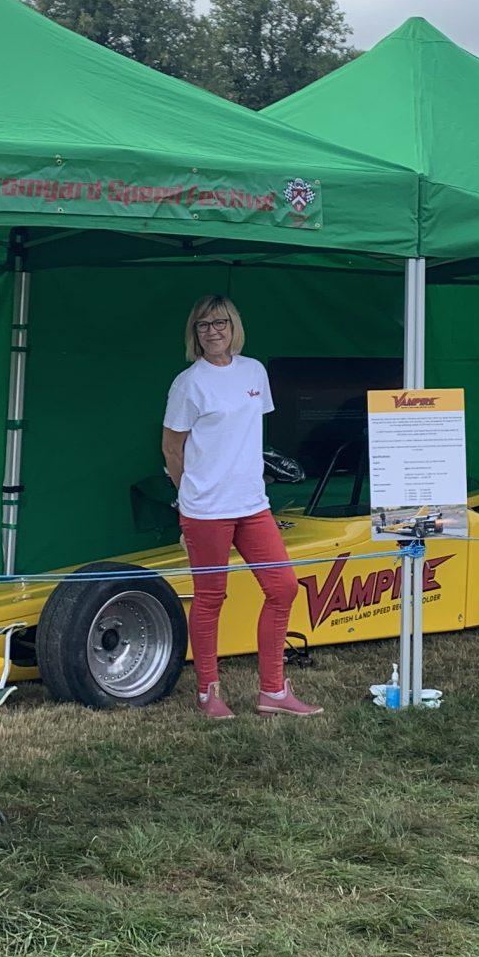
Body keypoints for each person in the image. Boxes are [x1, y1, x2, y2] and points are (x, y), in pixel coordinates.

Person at [161, 294, 318, 720]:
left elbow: (250, 433)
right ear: (195, 334)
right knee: (211, 598)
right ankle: (208, 693)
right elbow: (172, 450)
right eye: (203, 326)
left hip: (252, 504)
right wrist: (188, 496)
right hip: (206, 509)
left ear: (234, 326)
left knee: (283, 587)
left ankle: (273, 690)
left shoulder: (255, 372)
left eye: (220, 323)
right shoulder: (188, 383)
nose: (213, 332)